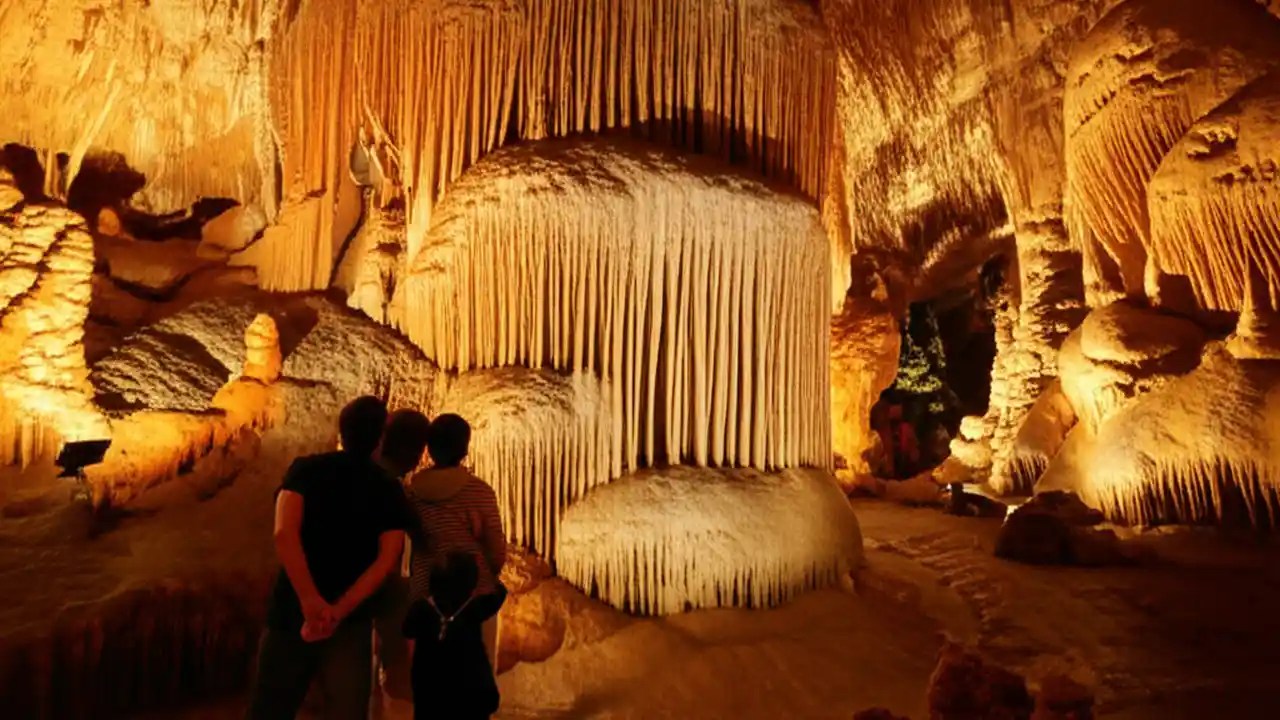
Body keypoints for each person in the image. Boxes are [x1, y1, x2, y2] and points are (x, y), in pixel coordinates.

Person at [247, 396, 416, 720]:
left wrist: (310, 601)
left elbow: (284, 533)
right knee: (347, 712)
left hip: (292, 611)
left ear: (342, 430)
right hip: (348, 623)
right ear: (380, 439)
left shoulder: (305, 470)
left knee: (269, 710)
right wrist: (337, 611)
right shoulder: (387, 488)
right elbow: (387, 558)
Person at [405, 413, 507, 668]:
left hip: (426, 595)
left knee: (430, 671)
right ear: (464, 449)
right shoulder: (478, 491)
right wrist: (489, 573)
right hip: (473, 593)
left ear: (429, 448)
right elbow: (495, 546)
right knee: (474, 668)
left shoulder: (412, 491)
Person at [403, 552, 506, 719]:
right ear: (471, 585)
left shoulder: (421, 609)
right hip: (470, 699)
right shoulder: (474, 609)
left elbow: (407, 630)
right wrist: (487, 569)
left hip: (431, 698)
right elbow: (500, 593)